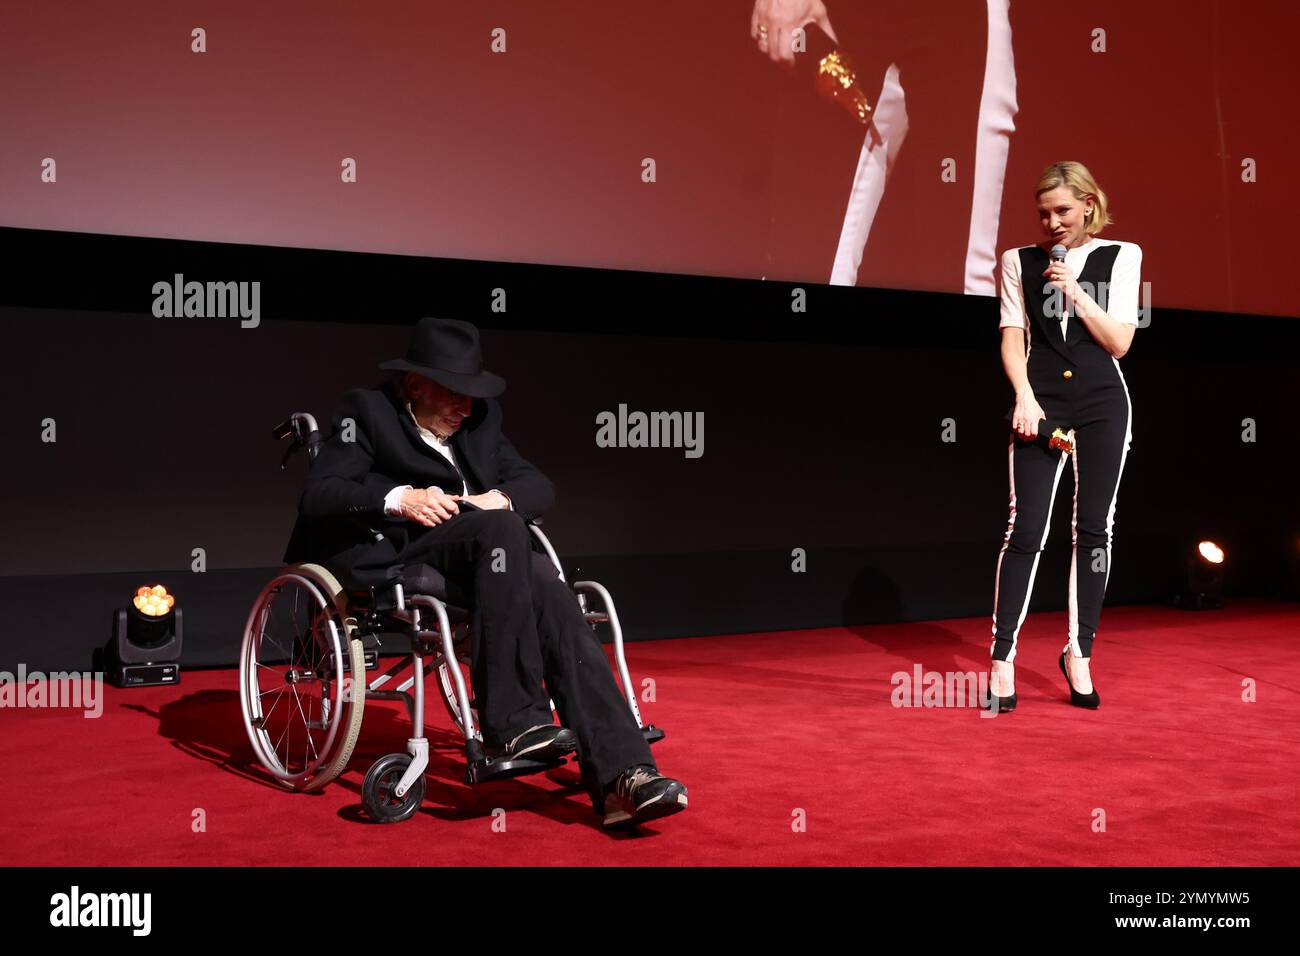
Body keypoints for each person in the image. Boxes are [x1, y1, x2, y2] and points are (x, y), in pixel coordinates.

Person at [283, 317, 688, 826]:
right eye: (453, 393)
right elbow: (320, 494)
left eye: (471, 395)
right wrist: (401, 499)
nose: (464, 406)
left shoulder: (479, 421)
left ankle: (624, 779)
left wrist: (502, 498)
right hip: (401, 553)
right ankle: (516, 724)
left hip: (485, 555)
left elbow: (537, 483)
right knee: (505, 536)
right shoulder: (366, 412)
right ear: (414, 384)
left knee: (550, 589)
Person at [986, 161, 1142, 712]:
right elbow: (1011, 337)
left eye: (1063, 211)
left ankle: (1080, 653)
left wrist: (1076, 290)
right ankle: (1002, 657)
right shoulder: (1018, 262)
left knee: (1094, 528)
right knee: (1025, 526)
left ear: (1088, 206)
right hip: (1042, 397)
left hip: (1102, 400)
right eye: (1044, 213)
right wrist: (1024, 397)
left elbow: (1120, 342)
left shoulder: (1122, 256)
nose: (1053, 222)